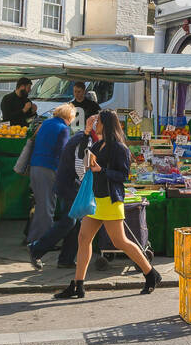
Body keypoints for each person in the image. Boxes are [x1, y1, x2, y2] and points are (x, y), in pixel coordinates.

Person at [55, 109, 160, 299]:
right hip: (96, 200)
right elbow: (80, 154)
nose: (96, 125)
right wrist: (86, 133)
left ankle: (150, 274)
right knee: (83, 238)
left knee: (120, 242)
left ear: (106, 124)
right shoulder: (99, 144)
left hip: (110, 201)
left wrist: (102, 170)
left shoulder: (120, 148)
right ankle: (78, 285)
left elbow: (123, 176)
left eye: (98, 122)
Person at [28, 113, 101, 270]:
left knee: (75, 222)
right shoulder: (85, 139)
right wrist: (89, 180)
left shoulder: (85, 137)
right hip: (69, 185)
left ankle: (66, 259)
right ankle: (36, 248)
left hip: (68, 183)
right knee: (69, 222)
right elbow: (80, 166)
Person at [28, 103, 74, 244]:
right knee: (47, 207)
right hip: (48, 168)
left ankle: (33, 237)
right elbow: (62, 153)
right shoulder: (63, 128)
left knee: (41, 205)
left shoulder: (46, 123)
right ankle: (42, 241)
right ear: (69, 116)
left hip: (35, 166)